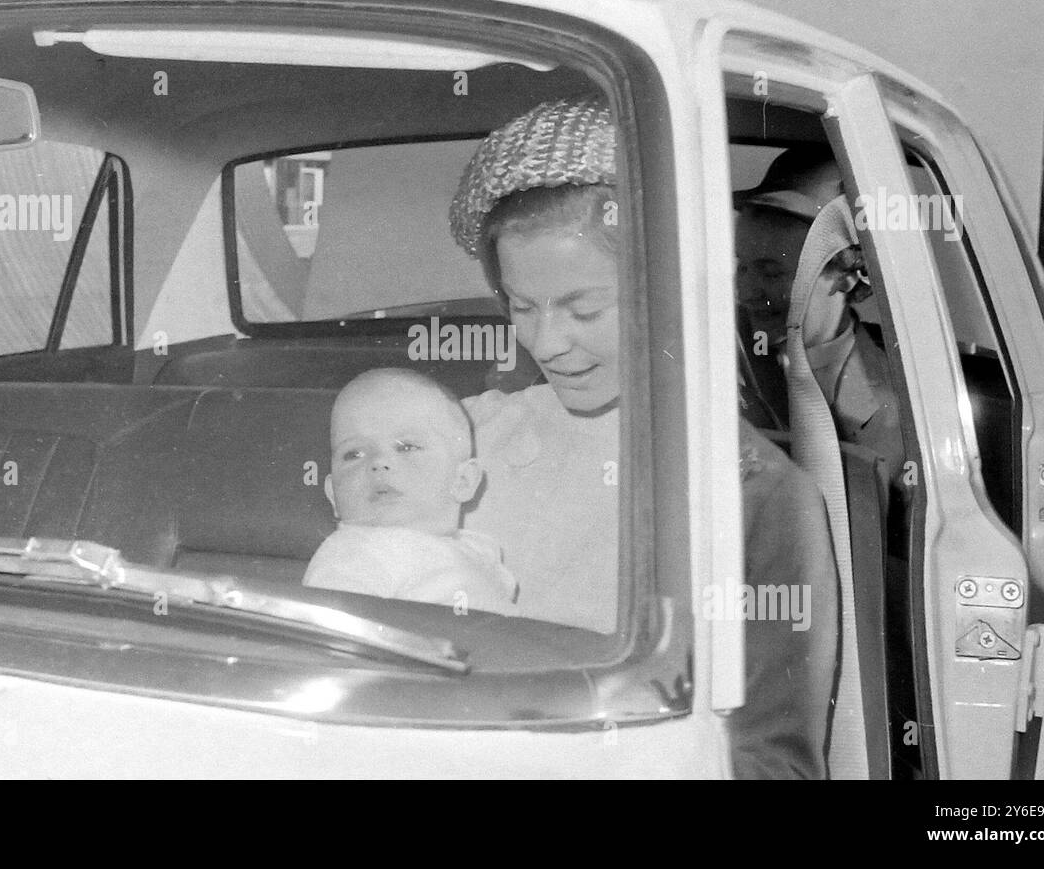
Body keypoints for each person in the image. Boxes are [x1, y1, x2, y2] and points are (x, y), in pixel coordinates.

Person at [450, 95, 839, 778]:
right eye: (521, 306)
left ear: (668, 289)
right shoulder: (470, 436)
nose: (546, 341)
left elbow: (773, 765)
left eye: (584, 308)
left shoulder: (756, 491)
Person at [735, 148, 905, 472]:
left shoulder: (894, 411)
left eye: (772, 273)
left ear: (847, 274)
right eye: (743, 267)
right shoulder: (719, 349)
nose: (745, 293)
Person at [302, 368, 518, 615]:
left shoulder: (479, 550)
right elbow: (335, 633)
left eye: (406, 447)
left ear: (463, 481)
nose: (378, 461)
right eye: (354, 454)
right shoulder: (352, 555)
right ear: (333, 495)